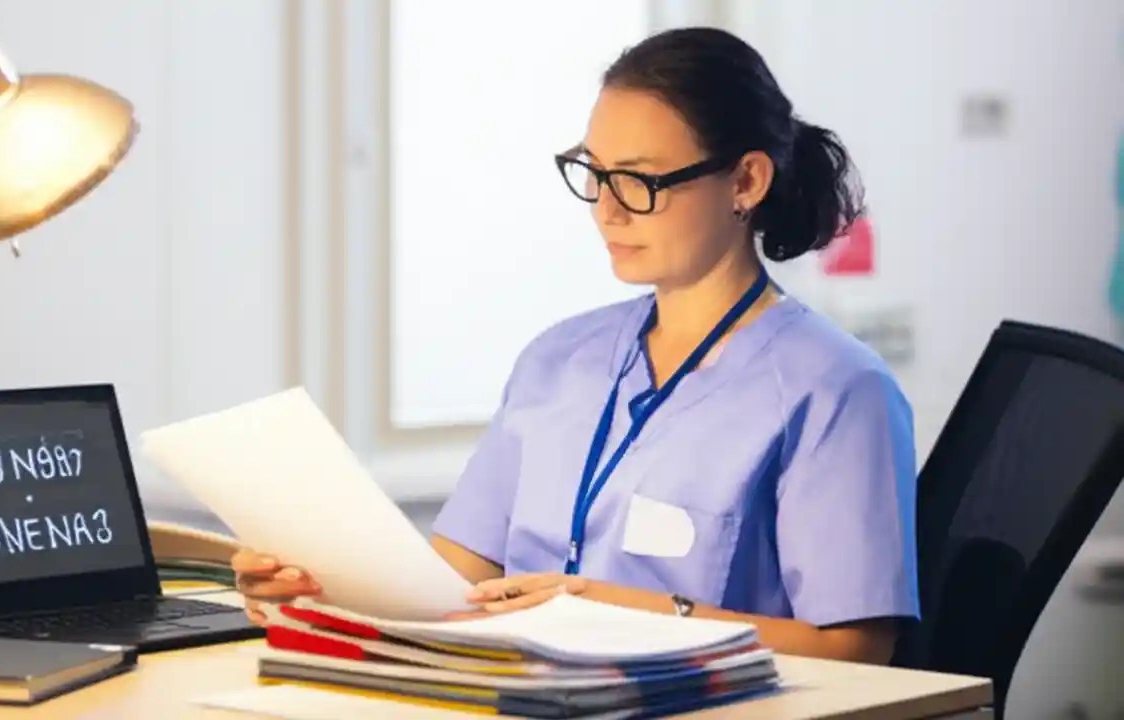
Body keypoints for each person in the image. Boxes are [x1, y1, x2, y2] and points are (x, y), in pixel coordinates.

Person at [233, 26, 918, 665]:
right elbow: (450, 584)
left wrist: (627, 613)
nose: (607, 209)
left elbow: (854, 650)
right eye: (595, 172)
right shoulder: (558, 361)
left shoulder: (835, 388)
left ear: (745, 181)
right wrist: (312, 594)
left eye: (640, 181)